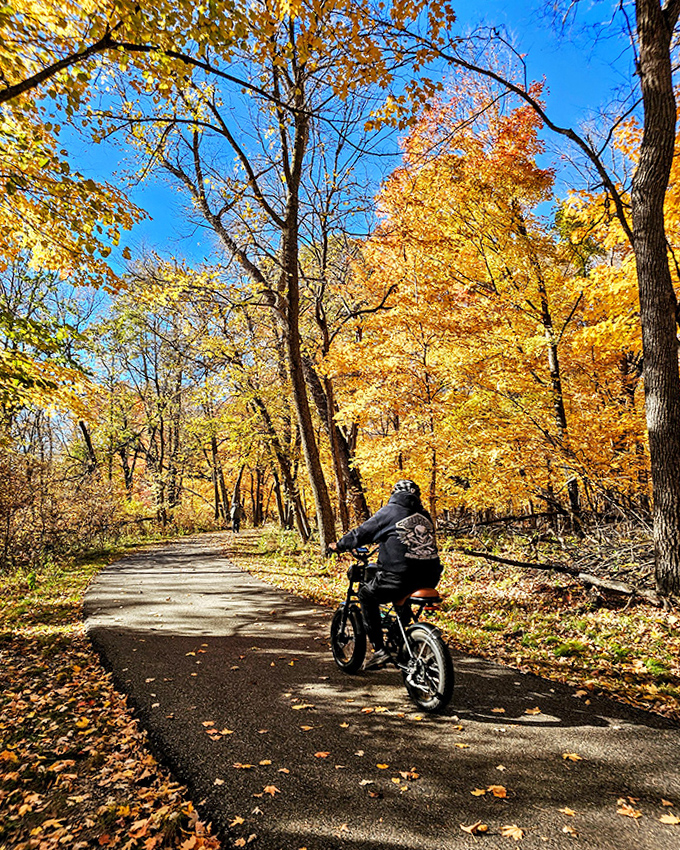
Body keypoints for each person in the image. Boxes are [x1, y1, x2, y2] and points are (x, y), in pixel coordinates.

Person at [328, 479, 442, 668]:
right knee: (400, 595)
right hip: (431, 576)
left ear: (395, 494)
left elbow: (361, 533)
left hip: (399, 577)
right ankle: (400, 633)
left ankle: (379, 649)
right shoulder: (425, 515)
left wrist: (338, 545)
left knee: (366, 594)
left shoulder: (389, 512)